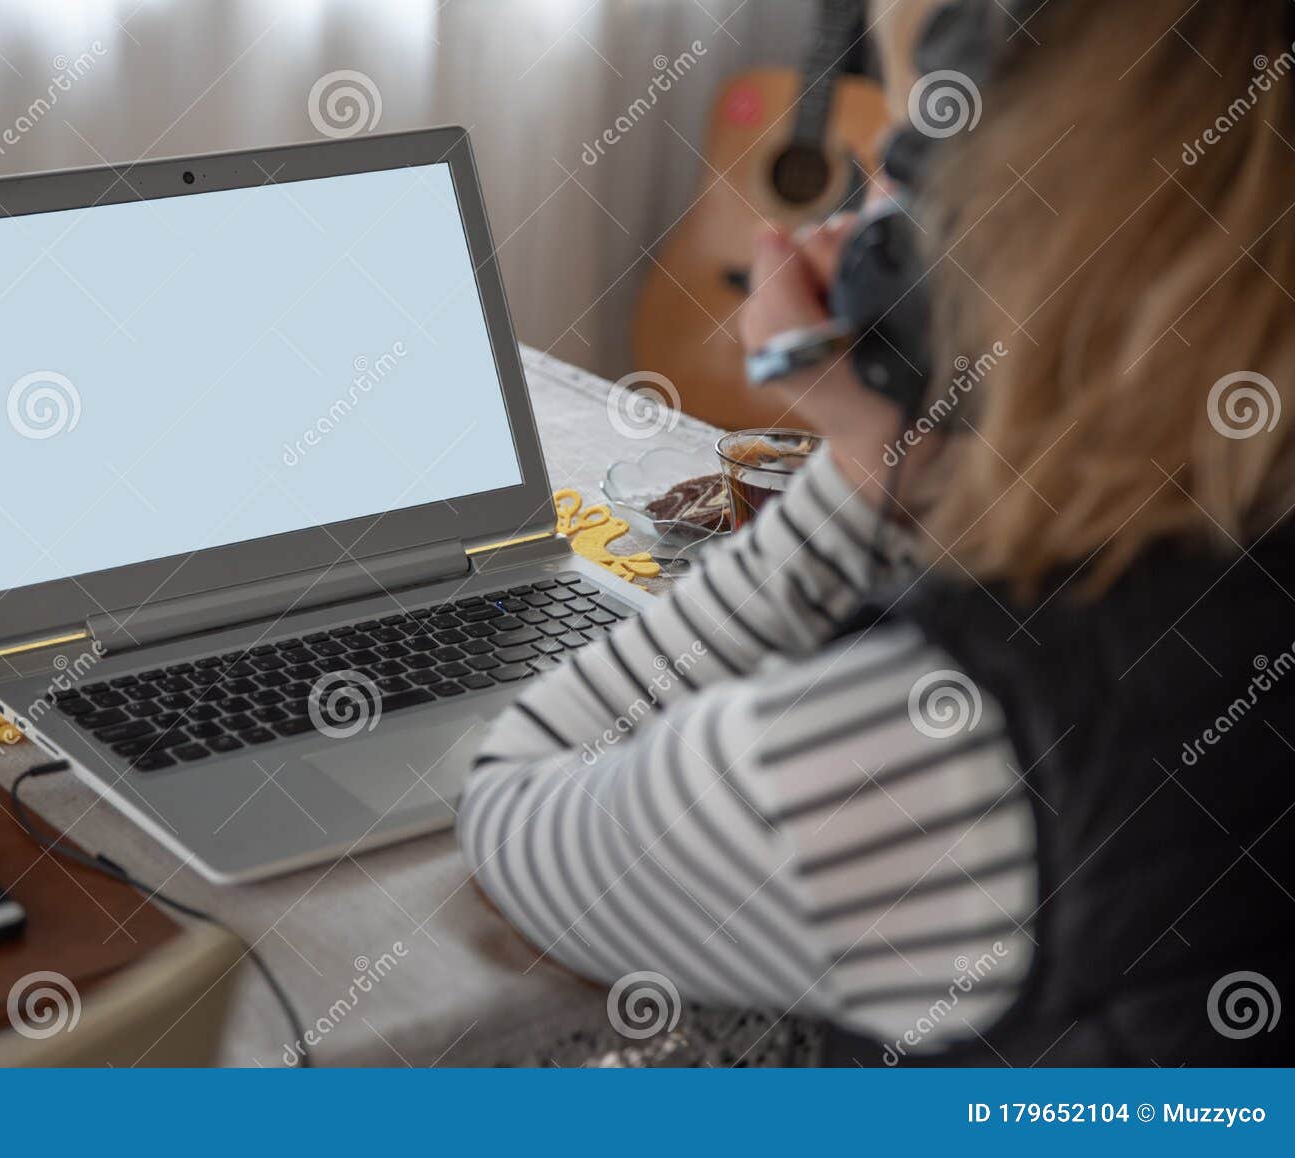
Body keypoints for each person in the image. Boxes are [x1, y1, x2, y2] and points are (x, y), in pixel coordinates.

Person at [458, 0, 1295, 1065]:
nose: (868, 216)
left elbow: (515, 816)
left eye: (902, 171)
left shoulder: (907, 747)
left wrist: (865, 474)